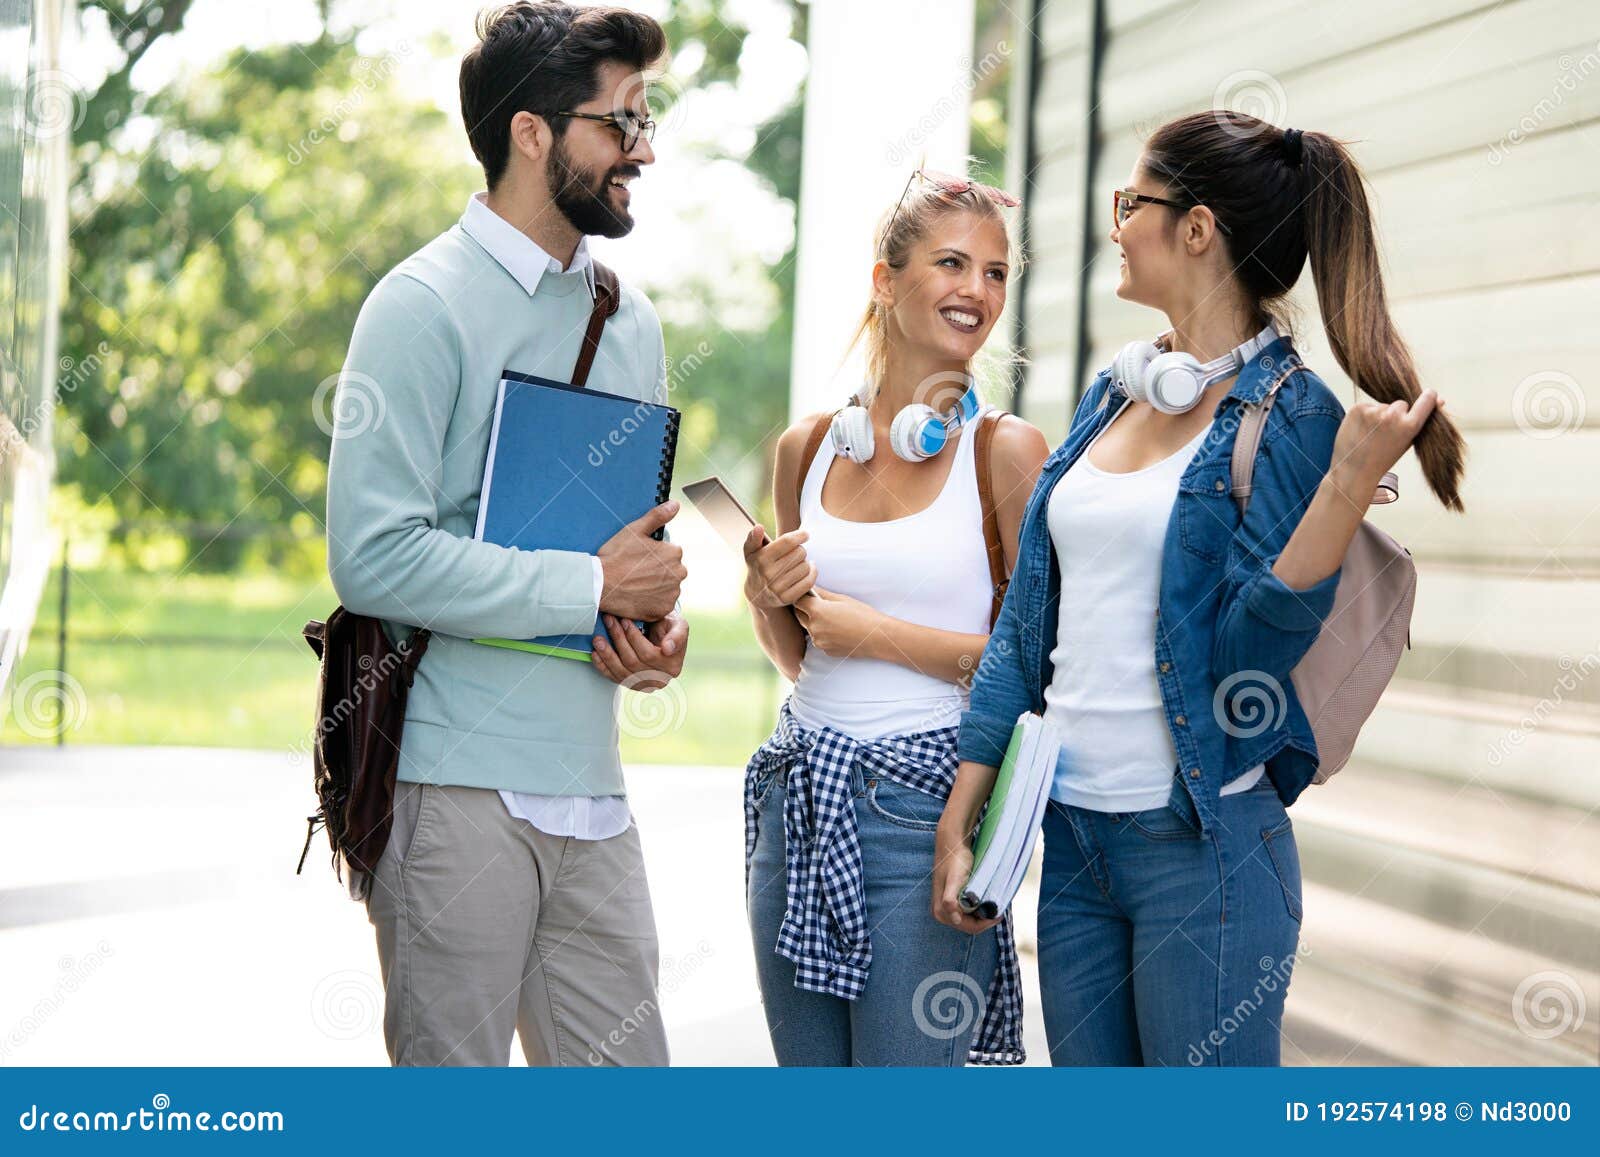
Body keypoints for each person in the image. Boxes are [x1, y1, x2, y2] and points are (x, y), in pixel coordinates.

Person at [933, 112, 1467, 1066]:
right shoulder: (1116, 392)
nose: (1116, 224)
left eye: (1131, 202)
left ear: (1196, 228)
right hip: (1074, 843)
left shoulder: (1297, 418)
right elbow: (1027, 625)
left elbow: (1245, 664)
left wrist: (1344, 491)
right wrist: (966, 806)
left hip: (1201, 849)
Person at [325, 1, 687, 1067]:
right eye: (619, 123)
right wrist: (588, 585)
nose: (645, 150)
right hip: (453, 795)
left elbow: (621, 547)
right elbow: (374, 555)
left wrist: (648, 623)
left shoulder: (630, 316)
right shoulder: (418, 305)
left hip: (592, 788)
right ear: (531, 132)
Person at [741, 168, 1050, 1066]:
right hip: (799, 799)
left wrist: (876, 634)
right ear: (886, 279)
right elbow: (798, 657)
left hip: (925, 815)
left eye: (996, 273)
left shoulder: (1007, 451)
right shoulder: (807, 449)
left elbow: (1029, 665)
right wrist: (768, 600)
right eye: (952, 263)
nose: (978, 291)